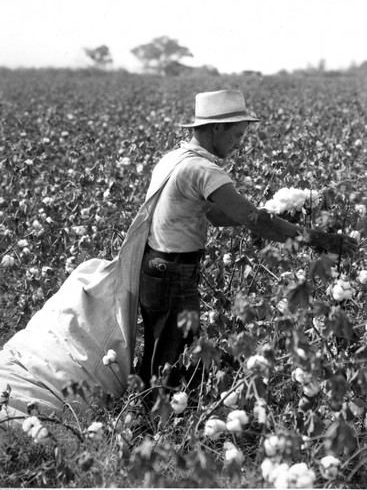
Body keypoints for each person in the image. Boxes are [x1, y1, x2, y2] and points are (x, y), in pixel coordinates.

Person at [138, 89, 358, 394]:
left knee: (165, 350)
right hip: (173, 273)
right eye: (237, 135)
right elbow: (252, 220)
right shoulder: (202, 169)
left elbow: (218, 216)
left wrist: (274, 217)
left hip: (157, 269)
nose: (239, 143)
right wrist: (320, 239)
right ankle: (151, 426)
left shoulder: (174, 158)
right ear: (217, 128)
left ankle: (158, 420)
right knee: (170, 358)